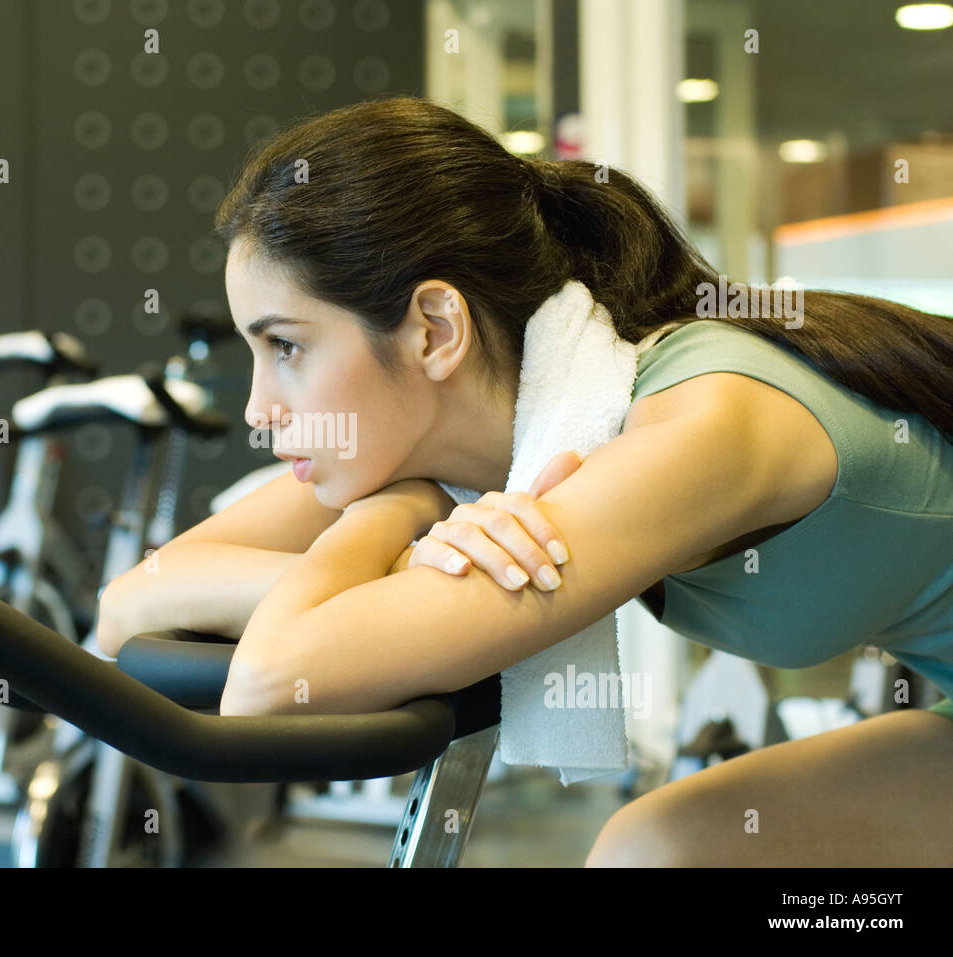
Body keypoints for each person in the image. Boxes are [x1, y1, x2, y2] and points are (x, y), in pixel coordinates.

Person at [98, 96, 953, 866]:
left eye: (286, 347)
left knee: (651, 857)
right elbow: (133, 599)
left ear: (435, 329)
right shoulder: (463, 444)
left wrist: (392, 522)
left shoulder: (698, 423)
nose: (258, 408)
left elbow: (270, 680)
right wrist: (406, 547)